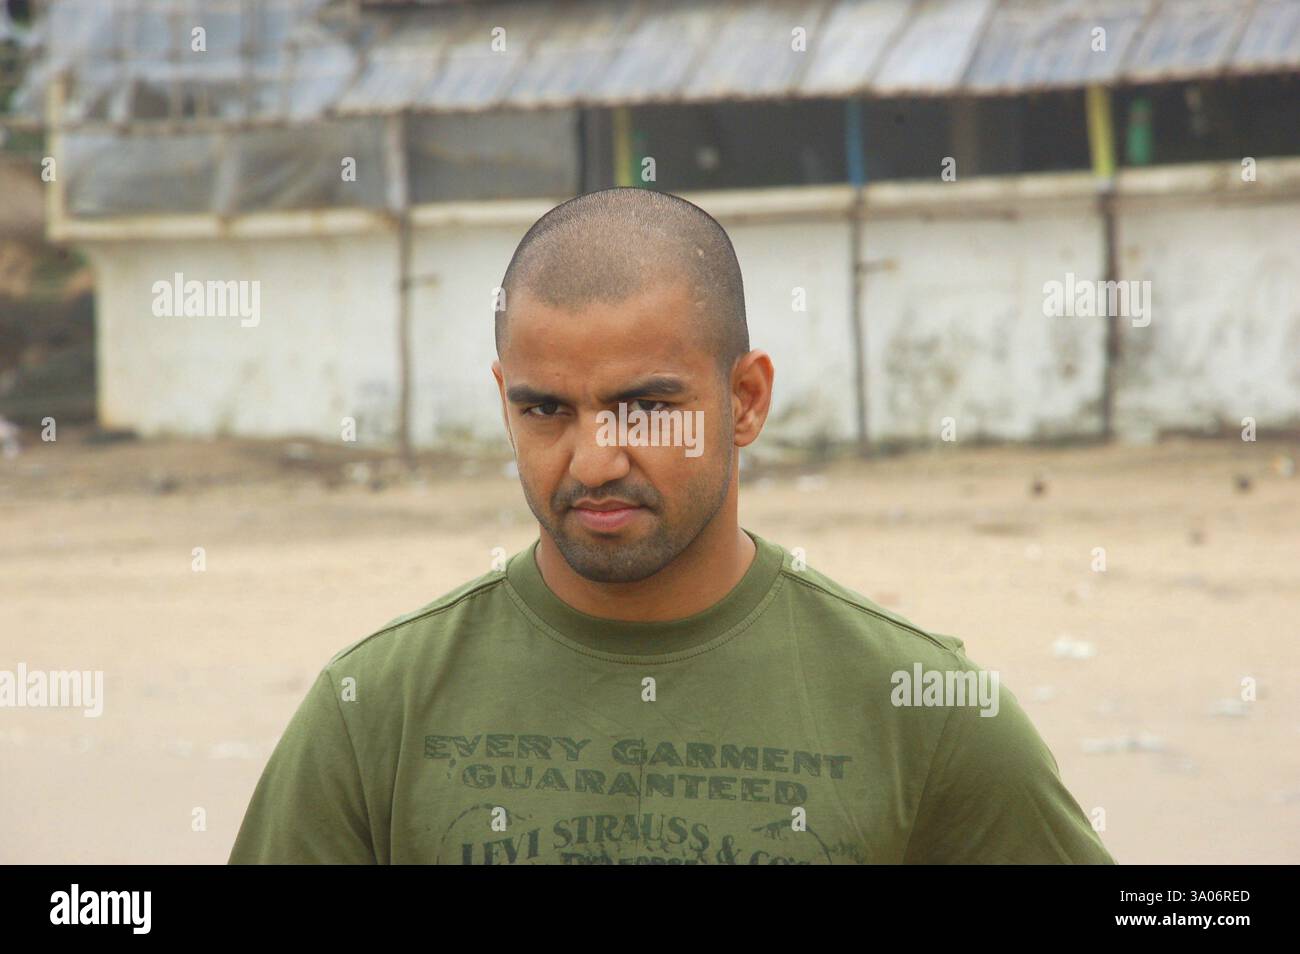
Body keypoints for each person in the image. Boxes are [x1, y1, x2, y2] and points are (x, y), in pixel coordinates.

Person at [228, 187, 1115, 865]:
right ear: (504, 400)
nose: (594, 460)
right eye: (545, 411)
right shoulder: (373, 708)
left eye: (645, 406)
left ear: (745, 399)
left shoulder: (922, 710)